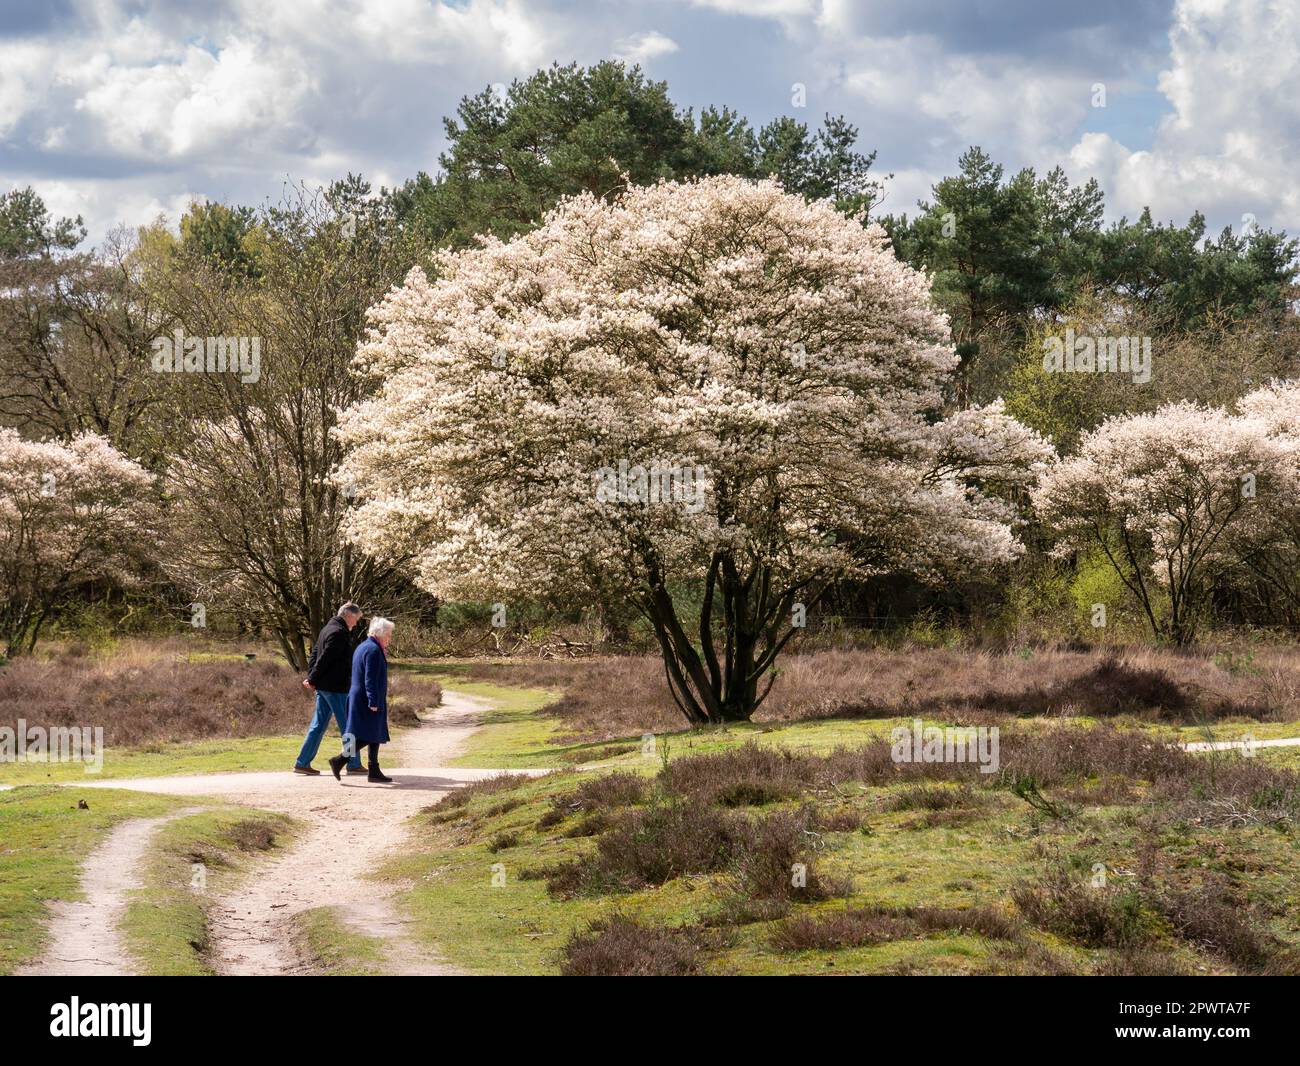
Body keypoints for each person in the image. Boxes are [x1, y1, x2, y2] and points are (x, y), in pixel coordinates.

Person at [293, 603, 365, 776]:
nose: (355, 624)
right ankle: (353, 764)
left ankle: (302, 762)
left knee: (318, 726)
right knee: (348, 725)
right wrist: (312, 679)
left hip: (325, 687)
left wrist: (312, 677)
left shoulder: (328, 629)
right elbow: (324, 658)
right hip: (336, 687)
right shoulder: (338, 632)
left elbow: (314, 654)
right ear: (348, 615)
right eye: (356, 619)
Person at [330, 616, 394, 783]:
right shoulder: (373, 650)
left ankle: (373, 770)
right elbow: (369, 678)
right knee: (367, 735)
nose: (390, 637)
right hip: (367, 698)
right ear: (381, 633)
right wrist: (373, 701)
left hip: (362, 696)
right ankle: (339, 760)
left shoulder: (364, 646)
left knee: (374, 733)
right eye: (389, 634)